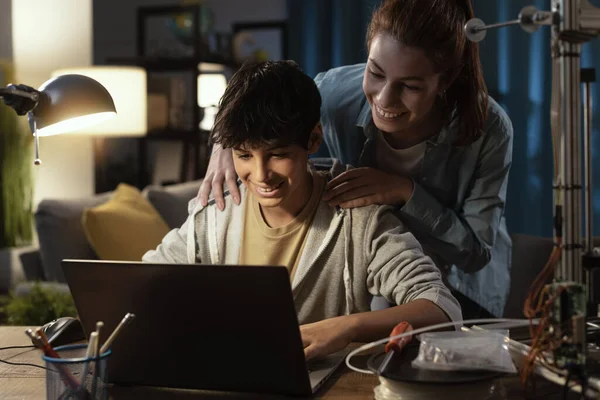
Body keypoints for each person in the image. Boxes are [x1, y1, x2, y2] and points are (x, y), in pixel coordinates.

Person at [197, 0, 513, 319]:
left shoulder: (490, 129)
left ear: (445, 81)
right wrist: (226, 141)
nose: (385, 99)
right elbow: (265, 99)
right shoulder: (335, 95)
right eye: (375, 73)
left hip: (461, 286)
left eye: (410, 86)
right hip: (376, 277)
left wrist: (405, 192)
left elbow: (475, 253)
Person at [143, 60, 461, 360]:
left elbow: (443, 309)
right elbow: (142, 285)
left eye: (277, 154)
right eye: (243, 155)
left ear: (313, 140)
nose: (261, 174)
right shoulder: (215, 215)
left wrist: (348, 327)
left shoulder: (359, 220)